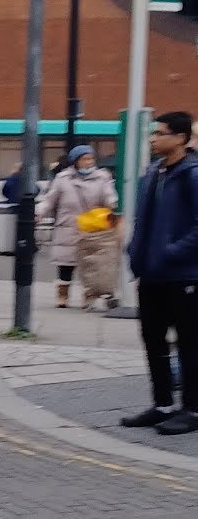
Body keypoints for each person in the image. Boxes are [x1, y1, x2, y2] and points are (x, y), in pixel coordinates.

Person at [122, 112, 198, 436]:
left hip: (184, 276)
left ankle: (192, 410)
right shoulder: (151, 173)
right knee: (153, 342)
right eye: (152, 134)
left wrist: (172, 251)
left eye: (160, 133)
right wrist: (135, 252)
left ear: (181, 138)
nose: (153, 139)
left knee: (190, 344)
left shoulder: (192, 175)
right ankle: (163, 404)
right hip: (150, 274)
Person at [37, 145, 118, 309]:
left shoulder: (102, 178)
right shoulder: (62, 178)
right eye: (84, 159)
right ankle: (62, 294)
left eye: (91, 159)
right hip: (68, 226)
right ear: (75, 161)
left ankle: (89, 295)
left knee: (91, 264)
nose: (89, 162)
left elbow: (109, 197)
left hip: (92, 227)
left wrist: (111, 204)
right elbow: (49, 200)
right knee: (65, 263)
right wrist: (38, 212)